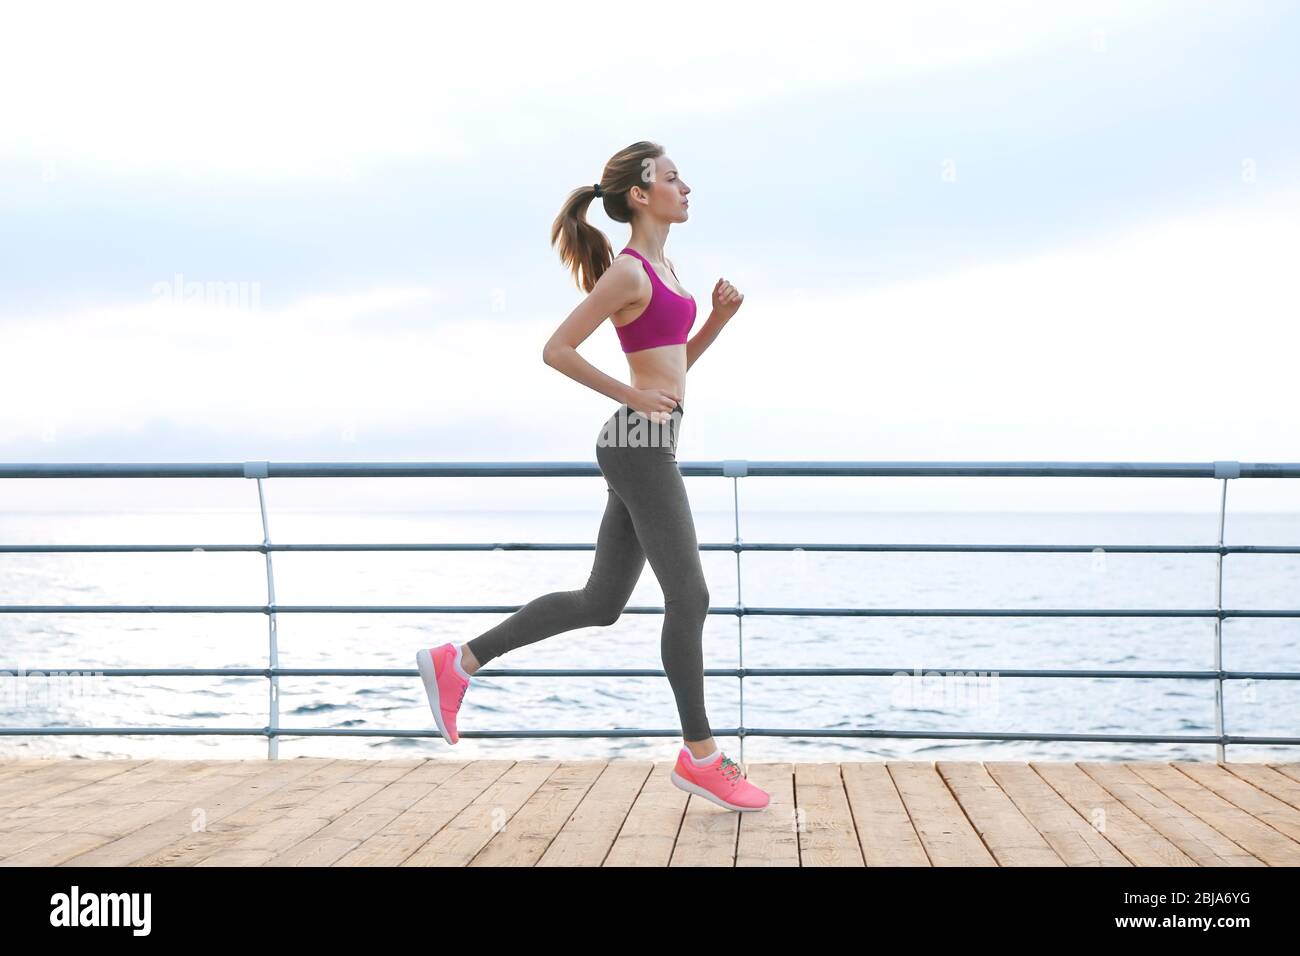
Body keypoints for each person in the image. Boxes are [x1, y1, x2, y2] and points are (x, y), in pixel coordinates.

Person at [416, 141, 769, 812]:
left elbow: (672, 370)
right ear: (640, 194)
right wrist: (633, 398)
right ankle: (702, 757)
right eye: (672, 177)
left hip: (644, 441)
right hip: (638, 444)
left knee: (601, 603)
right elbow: (557, 350)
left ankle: (455, 662)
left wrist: (717, 321)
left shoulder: (666, 267)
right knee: (689, 597)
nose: (685, 186)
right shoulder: (631, 272)